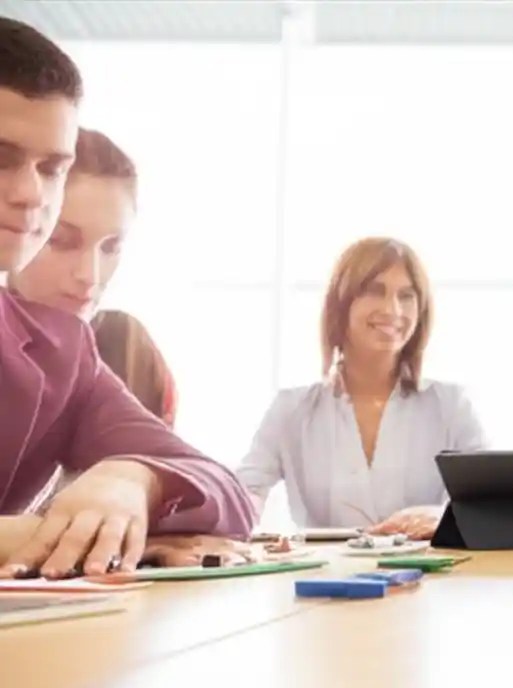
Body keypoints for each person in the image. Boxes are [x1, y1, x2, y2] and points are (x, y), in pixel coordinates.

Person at [0, 18, 254, 578]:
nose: (29, 195)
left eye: (51, 169)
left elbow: (229, 493)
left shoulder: (63, 352)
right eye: (2, 158)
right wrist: (64, 534)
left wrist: (133, 479)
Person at [236, 237, 486, 536]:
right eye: (374, 291)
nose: (392, 309)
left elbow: (487, 501)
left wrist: (442, 516)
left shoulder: (451, 404)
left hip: (428, 577)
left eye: (406, 296)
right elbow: (243, 497)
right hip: (323, 578)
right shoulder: (292, 408)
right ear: (341, 304)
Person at [9, 127, 177, 425]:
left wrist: (136, 470)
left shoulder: (129, 352)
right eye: (61, 241)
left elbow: (190, 465)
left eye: (111, 247)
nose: (90, 275)